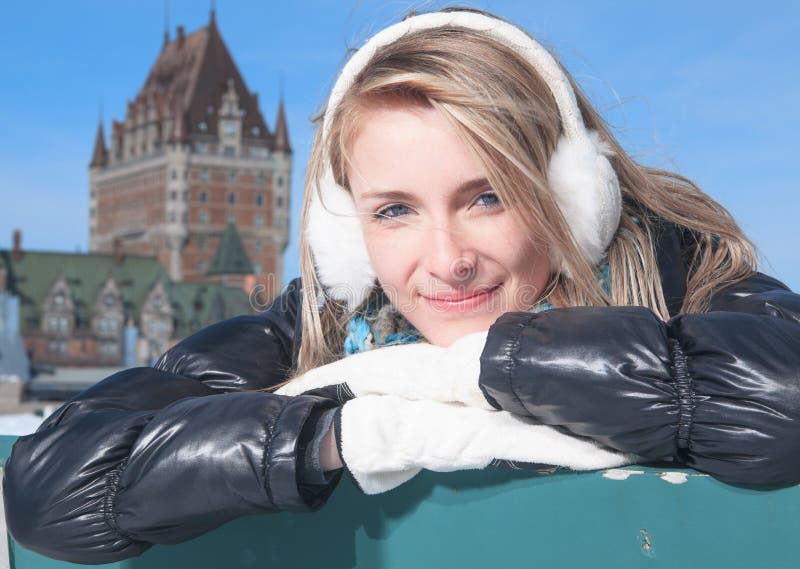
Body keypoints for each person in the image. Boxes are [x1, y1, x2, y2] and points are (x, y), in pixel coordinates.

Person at [5, 7, 800, 565]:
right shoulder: (326, 321)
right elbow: (51, 486)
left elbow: (784, 397)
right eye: (395, 211)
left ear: (571, 193)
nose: (446, 258)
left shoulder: (682, 273)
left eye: (487, 196)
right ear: (347, 233)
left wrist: (473, 371)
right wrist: (331, 435)